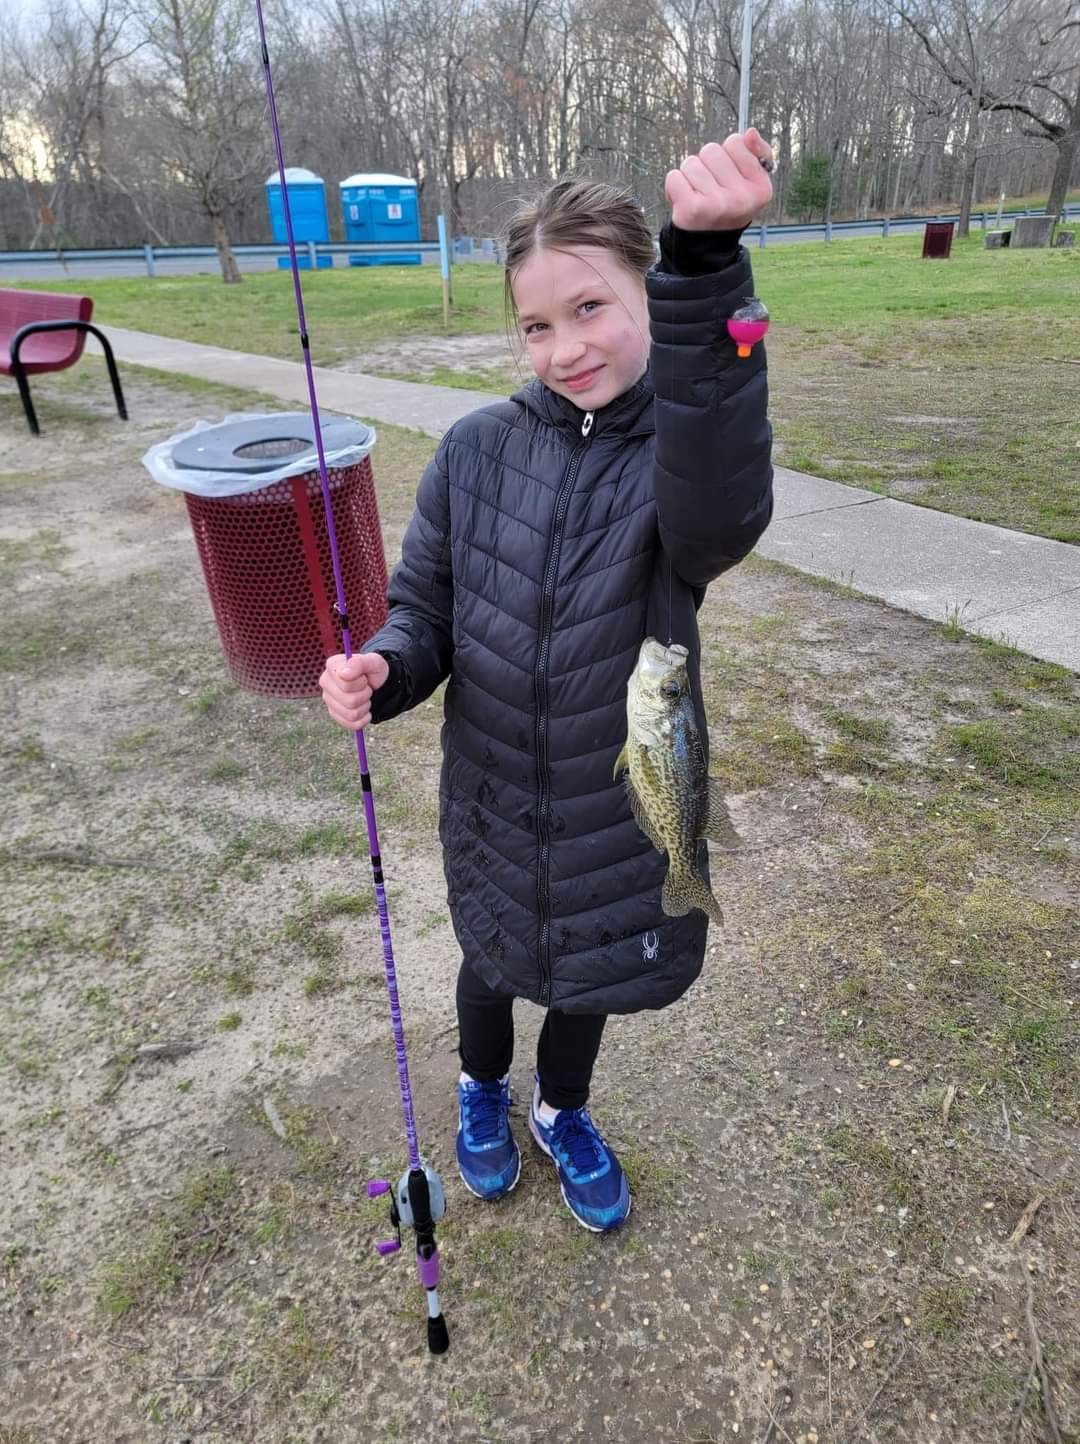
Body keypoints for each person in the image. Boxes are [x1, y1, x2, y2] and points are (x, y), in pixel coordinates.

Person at [319, 131, 775, 1233]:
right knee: (490, 960)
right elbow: (423, 609)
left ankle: (561, 1107)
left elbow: (723, 501)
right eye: (536, 324)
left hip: (615, 811)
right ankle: (482, 1088)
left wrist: (708, 269)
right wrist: (385, 666)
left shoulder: (680, 460)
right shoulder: (472, 450)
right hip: (491, 797)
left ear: (647, 296)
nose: (565, 347)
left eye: (591, 308)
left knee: (587, 977)